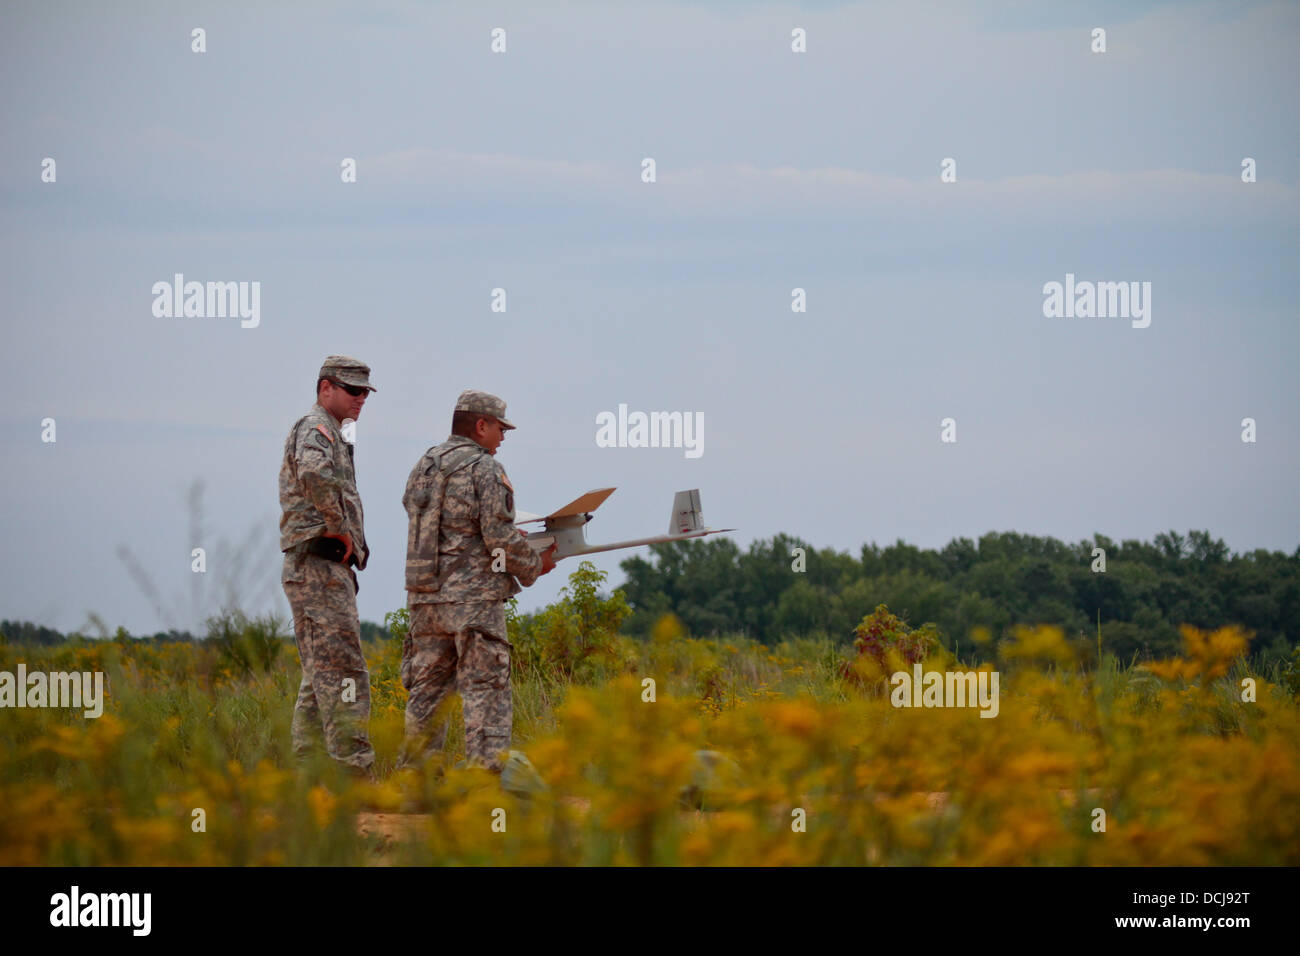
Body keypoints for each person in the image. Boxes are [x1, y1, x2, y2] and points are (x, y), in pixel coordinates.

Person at [400, 389, 558, 774]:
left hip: (424, 601)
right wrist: (536, 563)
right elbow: (499, 537)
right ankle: (485, 783)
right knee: (485, 689)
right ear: (480, 425)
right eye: (500, 428)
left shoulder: (424, 464)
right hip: (473, 603)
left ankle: (416, 786)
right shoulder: (485, 469)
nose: (503, 437)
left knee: (427, 694)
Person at [279, 355, 378, 776]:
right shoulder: (315, 428)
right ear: (326, 388)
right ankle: (351, 770)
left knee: (319, 673)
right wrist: (339, 530)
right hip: (317, 560)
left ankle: (310, 770)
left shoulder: (335, 434)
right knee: (344, 670)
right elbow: (315, 475)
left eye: (364, 392)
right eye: (352, 390)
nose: (360, 399)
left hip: (320, 565)